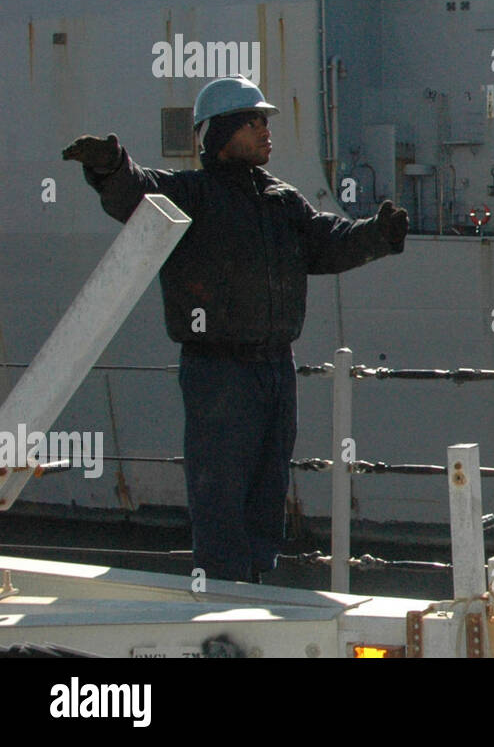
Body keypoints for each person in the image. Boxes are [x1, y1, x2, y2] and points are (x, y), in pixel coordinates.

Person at [62, 77, 408, 583]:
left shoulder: (281, 200)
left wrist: (377, 236)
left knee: (268, 485)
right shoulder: (190, 195)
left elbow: (326, 241)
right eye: (254, 121)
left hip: (274, 368)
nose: (266, 130)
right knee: (220, 490)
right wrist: (110, 165)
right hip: (218, 372)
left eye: (265, 120)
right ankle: (224, 597)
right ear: (222, 132)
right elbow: (136, 194)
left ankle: (255, 582)